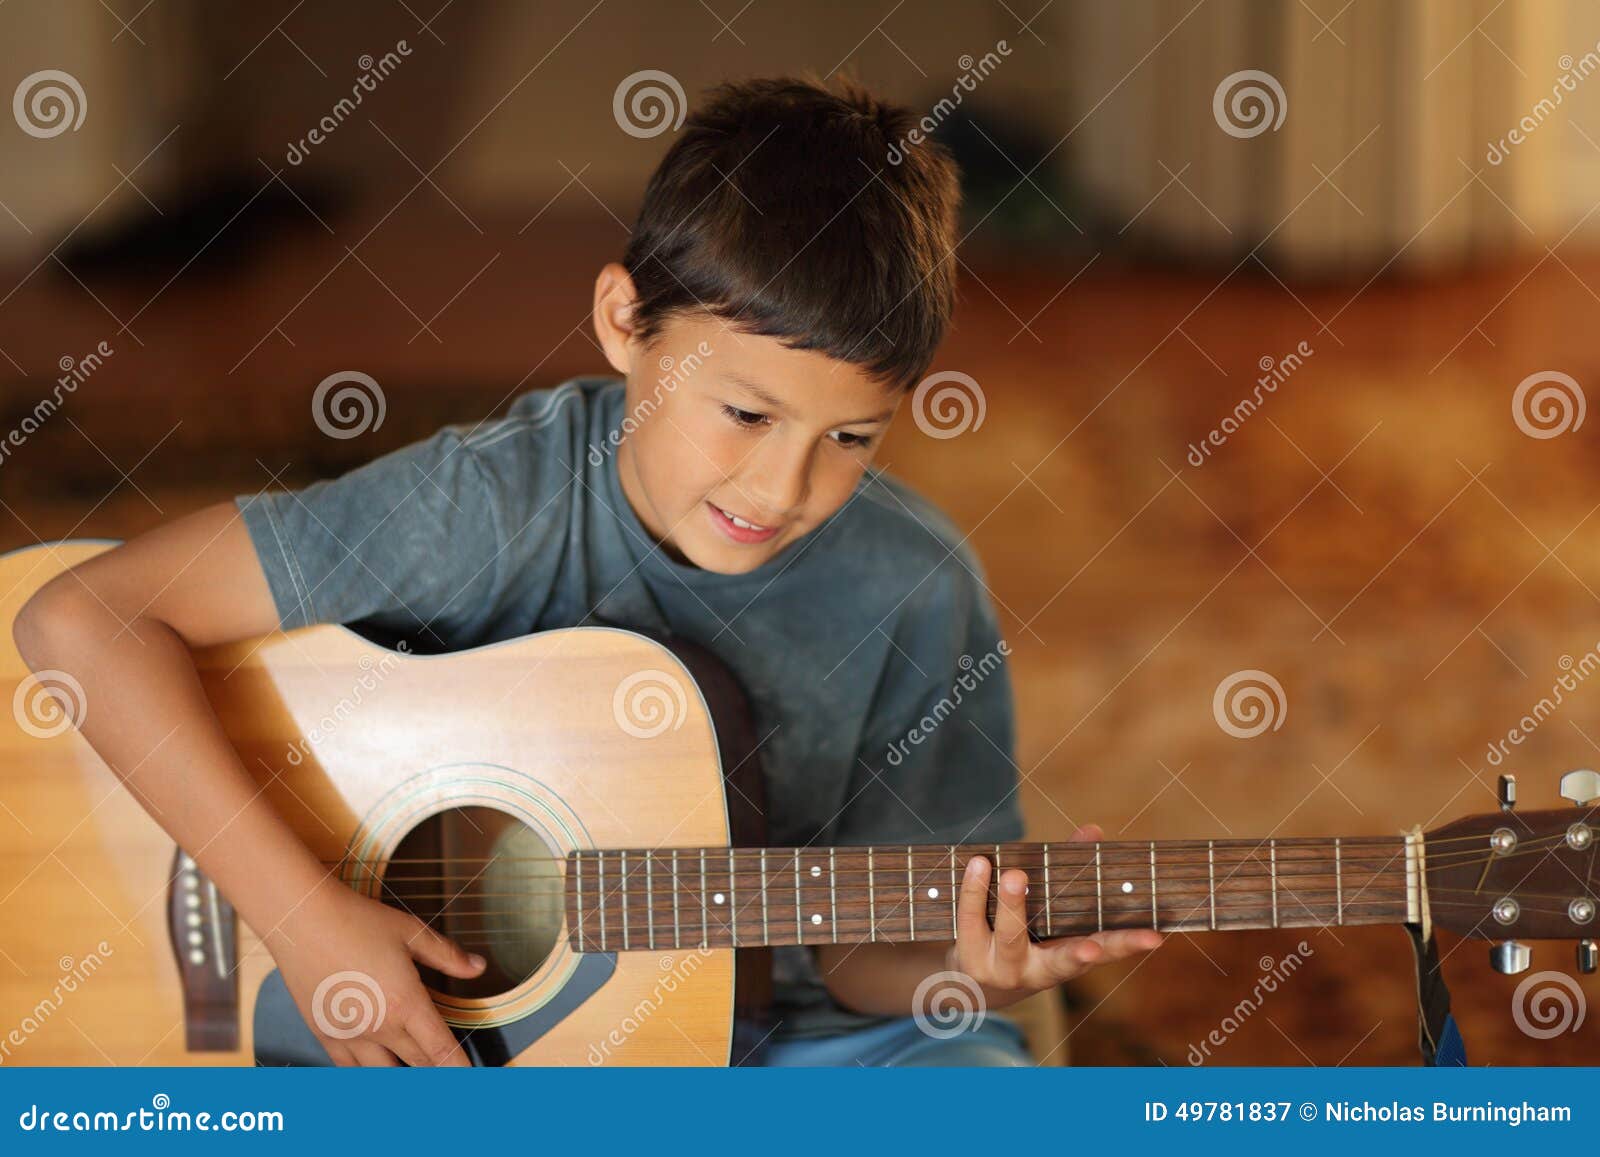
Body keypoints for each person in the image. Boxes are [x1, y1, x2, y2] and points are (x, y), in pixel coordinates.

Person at [13, 74, 1160, 1068]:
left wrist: (970, 966)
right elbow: (81, 619)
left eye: (850, 439)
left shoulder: (913, 588)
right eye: (744, 411)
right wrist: (306, 918)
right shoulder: (489, 504)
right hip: (463, 1046)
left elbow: (858, 956)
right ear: (623, 320)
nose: (780, 487)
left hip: (801, 1036)